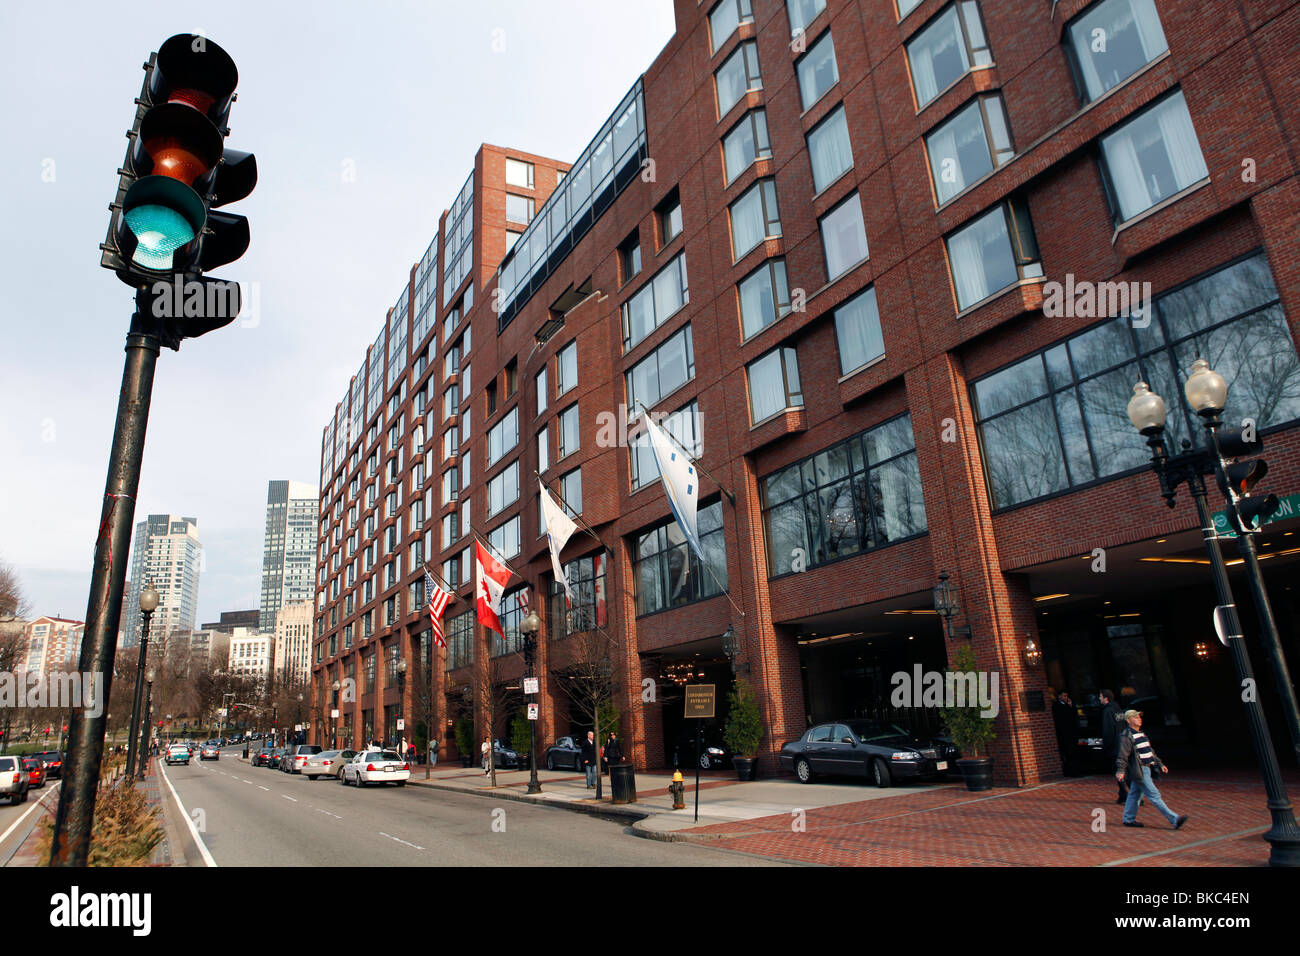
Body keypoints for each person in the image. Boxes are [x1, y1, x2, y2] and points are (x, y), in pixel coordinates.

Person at [1116, 709, 1187, 830]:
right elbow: (1123, 755)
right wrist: (1121, 770)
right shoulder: (1127, 736)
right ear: (1128, 720)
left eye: (1139, 717)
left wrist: (1159, 764)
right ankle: (1174, 819)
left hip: (1146, 769)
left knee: (1135, 794)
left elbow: (1149, 751)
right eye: (1135, 717)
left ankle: (1128, 818)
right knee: (1154, 795)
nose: (1139, 719)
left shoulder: (1141, 734)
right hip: (1139, 770)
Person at [1099, 689, 1126, 804]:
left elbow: (1108, 731)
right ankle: (1125, 794)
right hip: (1123, 744)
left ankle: (1126, 795)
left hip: (1115, 746)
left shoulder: (1107, 712)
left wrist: (1106, 746)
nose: (1099, 699)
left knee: (1119, 771)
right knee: (1126, 770)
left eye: (1100, 696)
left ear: (1106, 698)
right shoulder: (1118, 710)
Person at [1052, 690, 1077, 776]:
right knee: (1067, 753)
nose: (1065, 698)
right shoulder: (1056, 706)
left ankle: (1074, 770)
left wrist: (1071, 706)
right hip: (1063, 734)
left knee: (1073, 752)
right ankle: (1069, 771)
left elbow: (1074, 716)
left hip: (1071, 732)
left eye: (1066, 696)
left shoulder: (1069, 705)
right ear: (1059, 696)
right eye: (1064, 696)